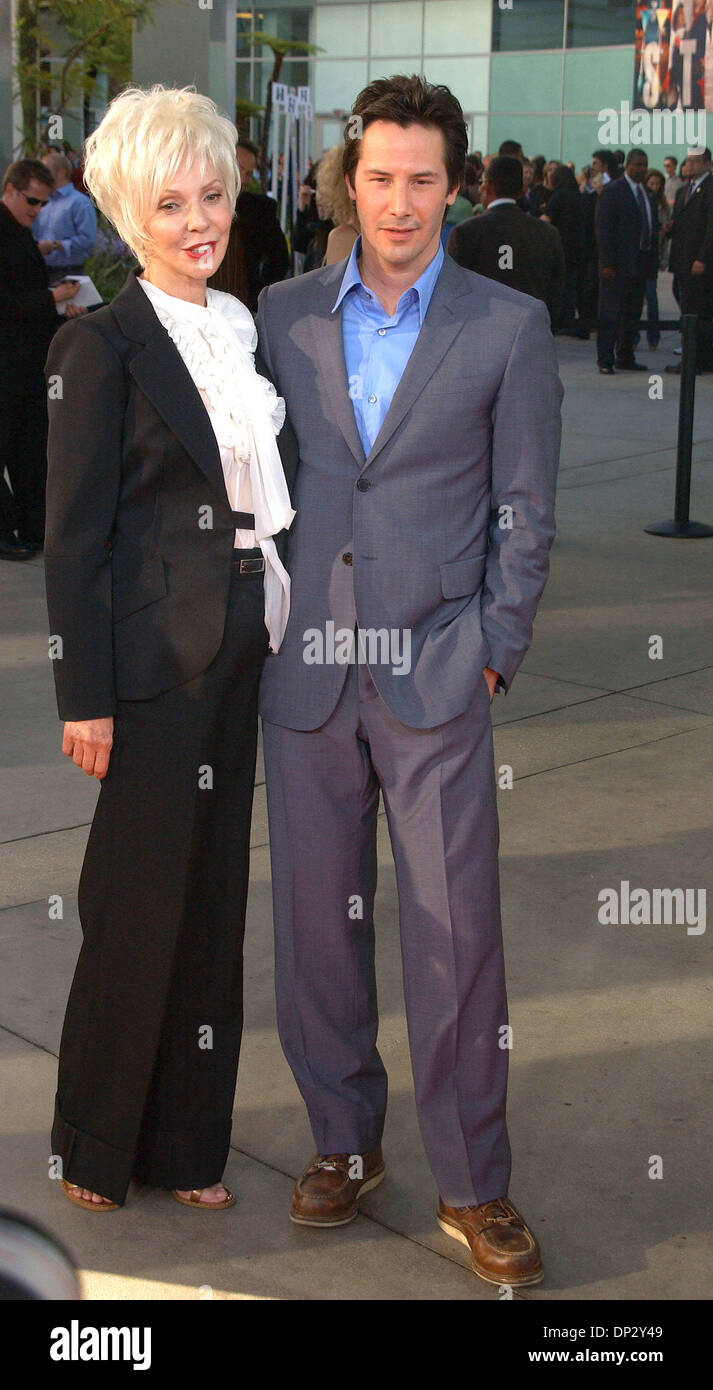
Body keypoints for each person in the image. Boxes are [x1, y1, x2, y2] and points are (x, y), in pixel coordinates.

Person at [256, 74, 563, 1289]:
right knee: (315, 933)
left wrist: (494, 639)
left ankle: (473, 1178)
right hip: (307, 677)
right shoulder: (279, 315)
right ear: (350, 178)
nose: (398, 201)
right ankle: (341, 1141)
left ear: (454, 184)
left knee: (454, 937)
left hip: (436, 664)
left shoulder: (504, 323)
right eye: (377, 176)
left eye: (421, 179)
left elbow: (526, 506)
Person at [43, 83, 297, 1212]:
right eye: (169, 204)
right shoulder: (98, 345)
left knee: (208, 913)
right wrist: (82, 694)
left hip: (246, 639)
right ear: (123, 215)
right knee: (136, 907)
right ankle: (95, 1144)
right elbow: (73, 538)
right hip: (152, 663)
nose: (198, 222)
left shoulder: (240, 328)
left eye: (212, 196)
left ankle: (188, 1146)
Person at [0, 159, 84, 561]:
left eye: (43, 204)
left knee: (30, 448)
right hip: (8, 363)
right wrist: (53, 299)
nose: (37, 211)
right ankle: (8, 529)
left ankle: (34, 527)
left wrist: (57, 305)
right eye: (31, 201)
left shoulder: (19, 232)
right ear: (11, 190)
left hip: (28, 362)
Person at [448, 154, 564, 330]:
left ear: (489, 186)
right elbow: (556, 290)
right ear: (520, 191)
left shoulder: (466, 232)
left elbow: (454, 291)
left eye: (482, 183)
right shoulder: (547, 233)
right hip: (531, 330)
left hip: (480, 332)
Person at [595, 148, 659, 374]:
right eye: (638, 165)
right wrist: (607, 263)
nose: (641, 169)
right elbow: (604, 230)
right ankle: (605, 359)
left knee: (632, 314)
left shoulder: (648, 194)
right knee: (610, 314)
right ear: (628, 166)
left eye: (645, 164)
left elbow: (652, 228)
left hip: (640, 265)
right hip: (617, 265)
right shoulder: (613, 191)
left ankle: (625, 355)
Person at [210, 137, 288, 312]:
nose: (243, 179)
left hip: (244, 309)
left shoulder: (260, 209)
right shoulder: (199, 207)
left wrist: (262, 296)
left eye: (249, 174)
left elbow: (279, 259)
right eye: (239, 169)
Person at [665, 145, 713, 374]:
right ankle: (696, 356)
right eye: (688, 160)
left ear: (707, 164)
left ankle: (695, 360)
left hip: (699, 263)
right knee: (686, 307)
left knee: (697, 311)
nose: (689, 165)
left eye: (695, 161)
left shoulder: (710, 188)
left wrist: (703, 258)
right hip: (681, 261)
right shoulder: (685, 190)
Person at [32, 150, 97, 279]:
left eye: (45, 171)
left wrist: (55, 246)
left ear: (61, 172)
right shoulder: (44, 203)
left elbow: (88, 241)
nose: (41, 176)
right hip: (43, 273)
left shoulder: (79, 202)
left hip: (70, 274)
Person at [541, 163, 585, 334]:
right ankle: (569, 320)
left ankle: (559, 321)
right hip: (577, 246)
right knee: (571, 286)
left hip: (560, 245)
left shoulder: (559, 195)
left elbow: (546, 219)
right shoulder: (578, 195)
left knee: (559, 286)